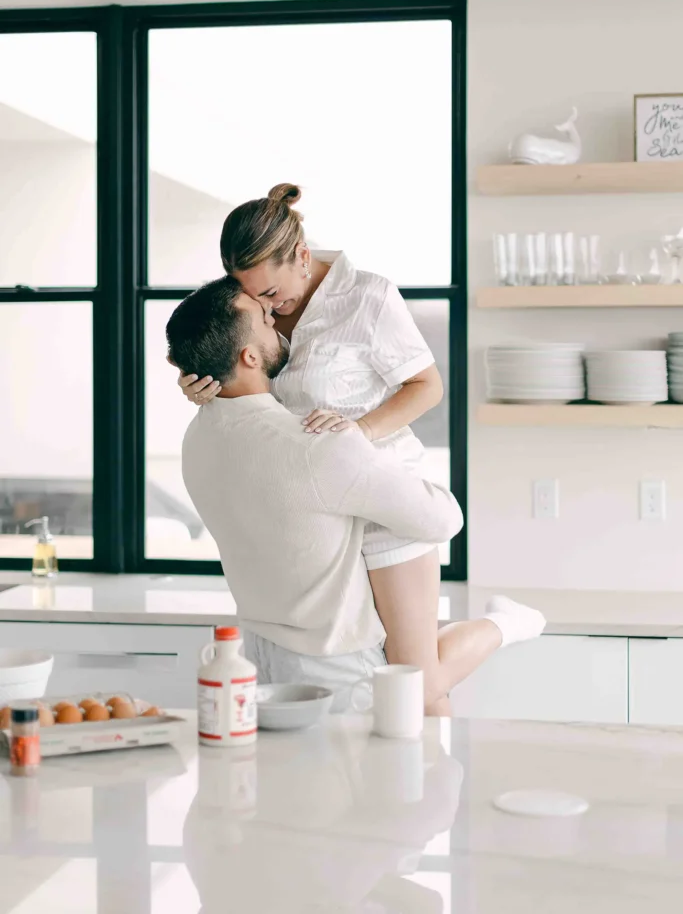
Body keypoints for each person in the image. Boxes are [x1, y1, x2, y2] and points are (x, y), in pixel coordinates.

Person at [167, 276, 545, 712]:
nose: (275, 317)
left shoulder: (195, 441)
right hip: (337, 675)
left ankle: (506, 623)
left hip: (259, 659)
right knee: (412, 722)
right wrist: (370, 447)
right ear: (250, 356)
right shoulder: (317, 446)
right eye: (263, 320)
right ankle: (507, 623)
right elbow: (446, 518)